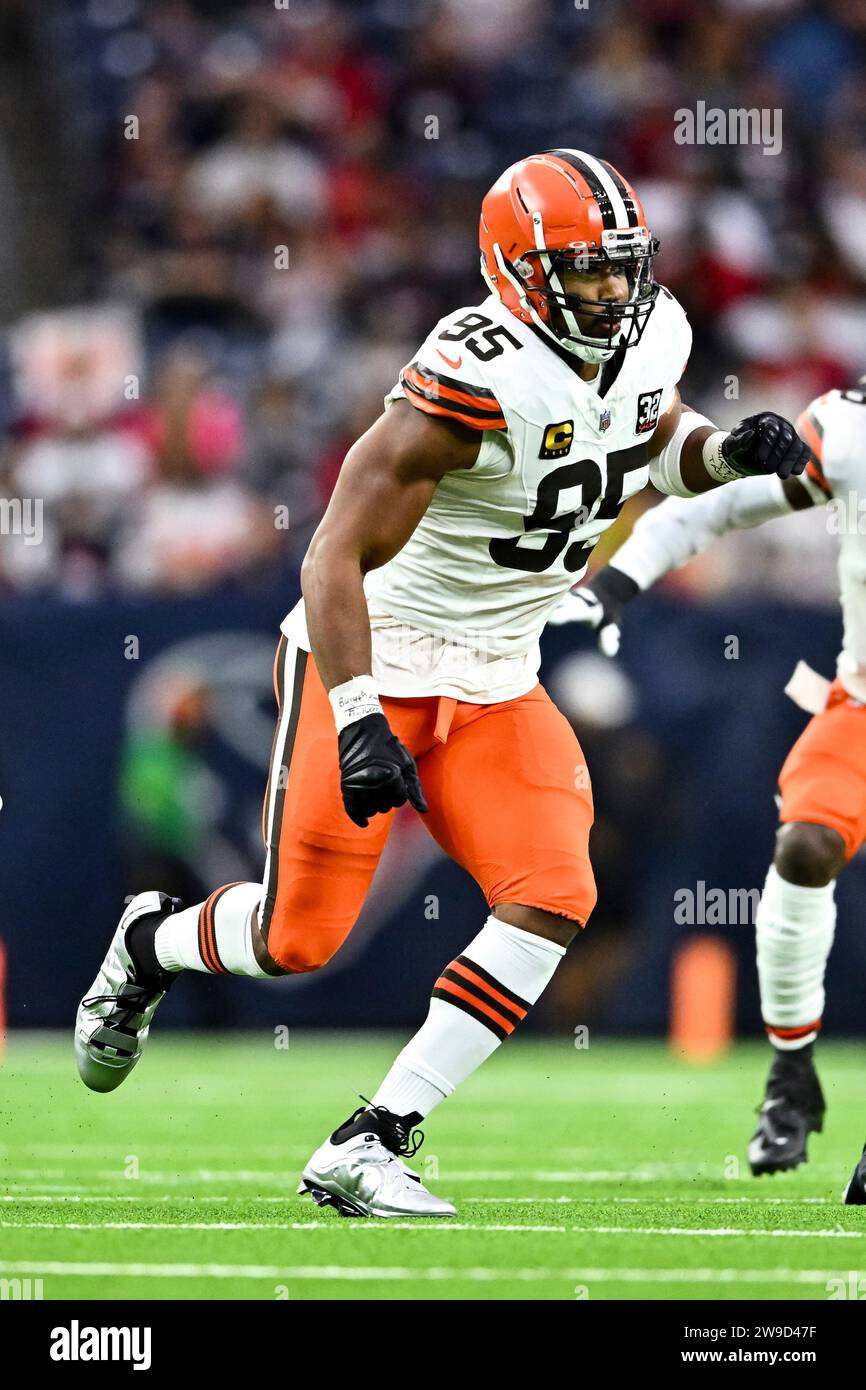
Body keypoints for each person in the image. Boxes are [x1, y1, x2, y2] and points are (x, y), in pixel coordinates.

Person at [75, 150, 809, 1218]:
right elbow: (331, 554)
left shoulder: (651, 334)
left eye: (621, 268)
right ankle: (149, 940)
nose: (612, 293)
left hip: (499, 671)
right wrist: (361, 712)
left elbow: (648, 443)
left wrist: (723, 451)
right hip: (374, 649)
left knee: (555, 892)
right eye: (585, 273)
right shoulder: (472, 373)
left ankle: (373, 1135)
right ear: (517, 272)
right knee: (295, 937)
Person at [550, 381, 866, 1200]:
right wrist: (614, 586)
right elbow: (718, 508)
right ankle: (792, 1076)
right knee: (804, 845)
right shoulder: (851, 426)